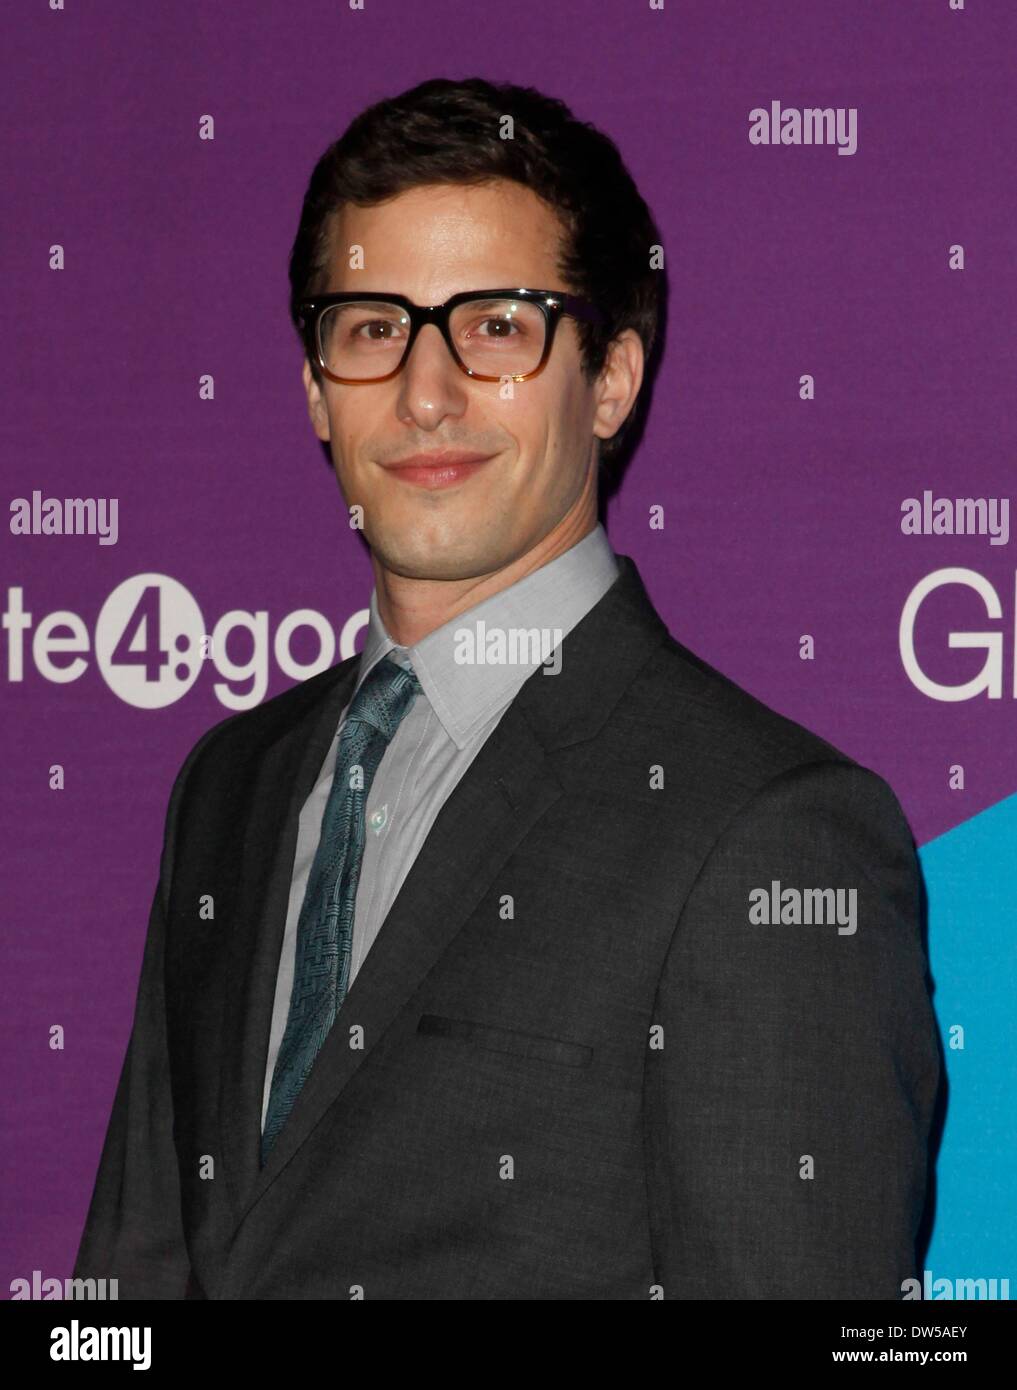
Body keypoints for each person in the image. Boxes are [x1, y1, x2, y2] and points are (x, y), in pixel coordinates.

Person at [74, 76, 940, 1300]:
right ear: (318, 387)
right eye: (374, 327)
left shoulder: (770, 831)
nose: (425, 394)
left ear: (611, 379)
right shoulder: (232, 782)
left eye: (496, 326)